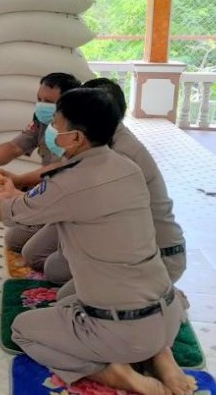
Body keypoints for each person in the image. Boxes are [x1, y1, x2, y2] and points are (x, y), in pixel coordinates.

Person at [0, 88, 196, 395]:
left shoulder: (71, 180)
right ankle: (161, 356)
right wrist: (13, 192)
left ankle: (115, 374)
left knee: (23, 329)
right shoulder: (127, 168)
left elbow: (9, 213)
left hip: (125, 331)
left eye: (57, 125)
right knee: (67, 298)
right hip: (166, 314)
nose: (52, 131)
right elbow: (52, 199)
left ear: (76, 137)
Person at [28, 78, 187, 285]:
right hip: (107, 233)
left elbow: (78, 203)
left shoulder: (121, 155)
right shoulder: (88, 140)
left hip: (149, 257)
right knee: (34, 253)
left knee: (55, 269)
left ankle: (155, 292)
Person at [0, 73, 82, 253]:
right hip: (47, 190)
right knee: (16, 238)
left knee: (24, 246)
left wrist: (17, 181)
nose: (41, 105)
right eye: (39, 99)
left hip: (66, 198)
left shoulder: (76, 130)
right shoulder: (41, 120)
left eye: (48, 102)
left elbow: (60, 168)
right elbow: (15, 147)